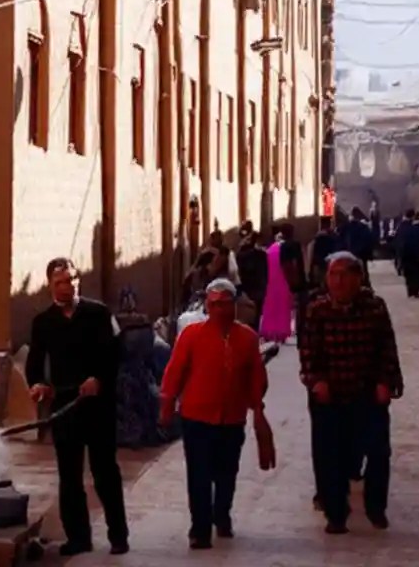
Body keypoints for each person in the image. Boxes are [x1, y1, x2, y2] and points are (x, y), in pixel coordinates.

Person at [159, 279, 275, 549]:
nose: (219, 310)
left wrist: (257, 409)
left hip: (232, 418)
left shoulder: (247, 337)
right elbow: (174, 371)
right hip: (196, 417)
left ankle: (222, 515)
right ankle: (200, 528)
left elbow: (256, 378)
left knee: (226, 472)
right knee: (198, 474)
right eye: (213, 305)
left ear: (234, 306)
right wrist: (167, 403)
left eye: (224, 304)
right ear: (207, 307)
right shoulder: (191, 334)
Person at [26, 258, 130, 556]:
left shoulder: (98, 314)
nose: (66, 286)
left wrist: (99, 379)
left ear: (78, 280)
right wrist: (37, 385)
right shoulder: (43, 322)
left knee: (105, 472)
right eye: (59, 282)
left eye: (70, 279)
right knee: (69, 477)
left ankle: (118, 535)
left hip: (98, 404)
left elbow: (115, 354)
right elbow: (34, 365)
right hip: (65, 406)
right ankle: (79, 538)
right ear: (49, 285)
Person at [301, 253, 404, 534]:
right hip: (330, 395)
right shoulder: (317, 310)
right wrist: (317, 381)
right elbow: (309, 353)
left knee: (378, 453)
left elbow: (387, 349)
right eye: (334, 274)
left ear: (358, 278)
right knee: (328, 455)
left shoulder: (374, 308)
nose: (339, 281)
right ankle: (336, 513)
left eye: (345, 274)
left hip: (366, 393)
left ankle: (376, 508)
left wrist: (386, 382)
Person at [259, 223, 303, 343]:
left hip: (272, 282)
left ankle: (269, 331)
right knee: (284, 307)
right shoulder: (290, 247)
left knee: (272, 307)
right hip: (284, 281)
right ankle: (282, 331)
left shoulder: (271, 249)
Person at [235, 231, 268, 324]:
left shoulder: (242, 255)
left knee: (248, 313)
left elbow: (240, 270)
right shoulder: (262, 255)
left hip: (249, 288)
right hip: (258, 287)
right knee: (256, 313)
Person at [341, 207, 376, 287]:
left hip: (349, 255)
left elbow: (341, 241)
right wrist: (368, 254)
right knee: (363, 271)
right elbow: (369, 240)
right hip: (361, 255)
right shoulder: (363, 227)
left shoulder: (345, 227)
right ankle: (365, 286)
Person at [307, 215, 341, 289]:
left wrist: (311, 268)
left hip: (321, 264)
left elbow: (312, 254)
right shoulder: (333, 237)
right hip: (330, 263)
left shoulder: (317, 239)